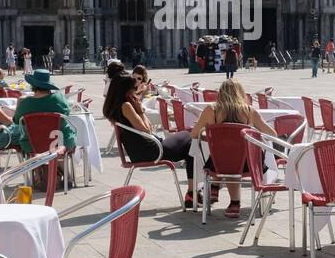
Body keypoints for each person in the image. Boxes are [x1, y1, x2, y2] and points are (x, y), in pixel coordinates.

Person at [105, 71, 196, 209]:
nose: (135, 91)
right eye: (133, 89)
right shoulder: (126, 106)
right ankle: (193, 192)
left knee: (191, 144)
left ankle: (192, 193)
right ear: (126, 90)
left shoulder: (115, 107)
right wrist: (140, 109)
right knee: (190, 137)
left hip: (141, 150)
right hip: (150, 151)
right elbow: (147, 129)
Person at [190, 79, 277, 218]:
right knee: (237, 157)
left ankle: (216, 187)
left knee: (221, 155)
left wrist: (209, 132)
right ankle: (234, 203)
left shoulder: (211, 110)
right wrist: (253, 132)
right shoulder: (249, 111)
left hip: (218, 163)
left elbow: (194, 134)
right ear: (240, 93)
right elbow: (272, 134)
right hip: (247, 165)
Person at [12, 69, 77, 158]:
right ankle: (59, 166)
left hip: (32, 144)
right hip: (61, 142)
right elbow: (67, 113)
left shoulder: (25, 102)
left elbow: (16, 121)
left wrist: (19, 103)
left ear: (33, 86)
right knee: (70, 134)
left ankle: (39, 167)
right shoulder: (59, 98)